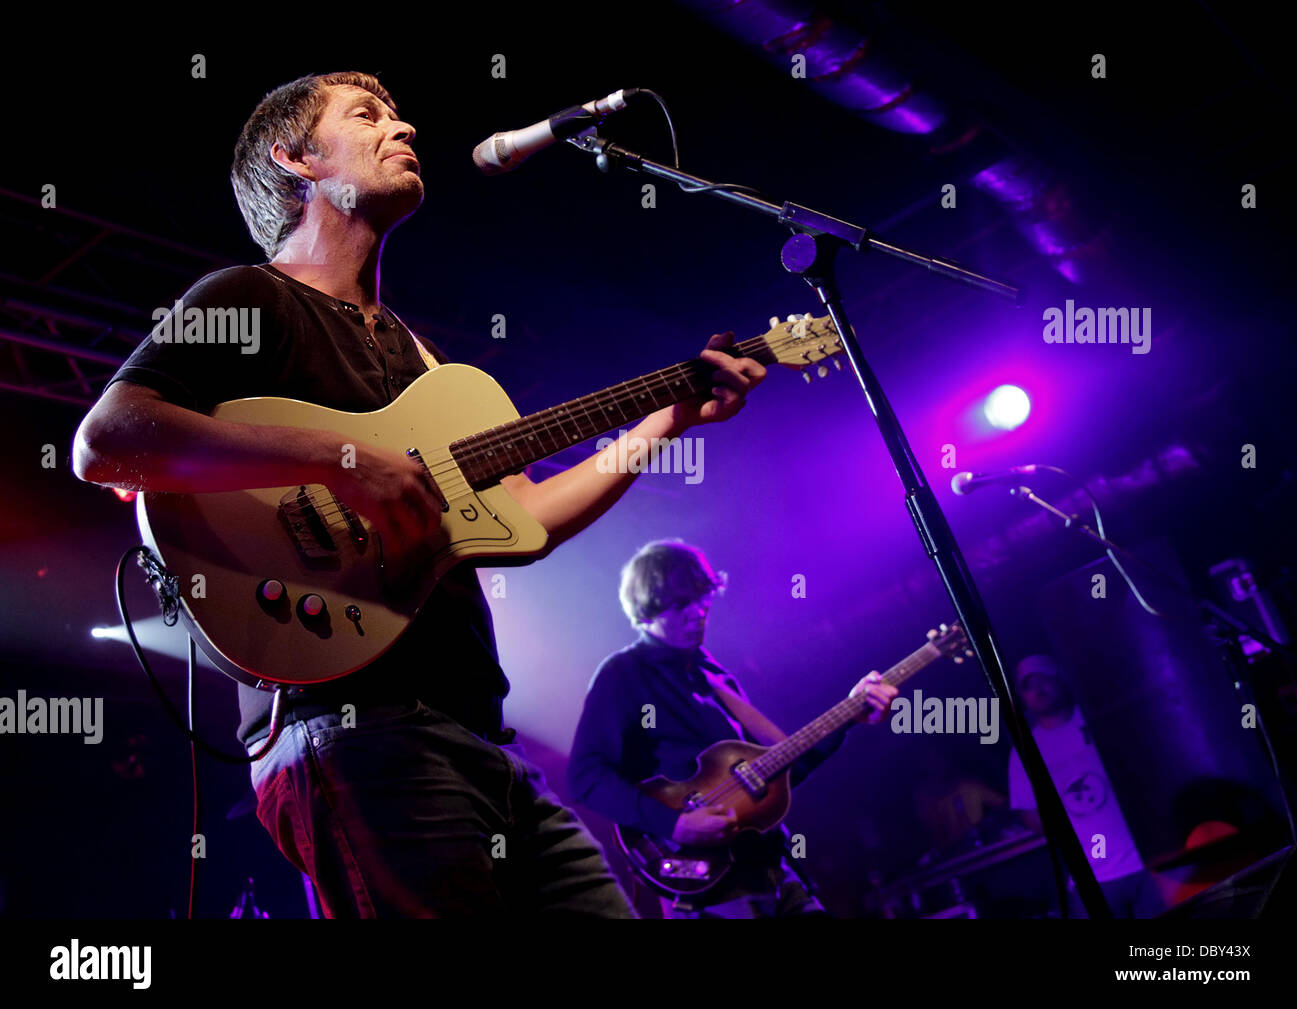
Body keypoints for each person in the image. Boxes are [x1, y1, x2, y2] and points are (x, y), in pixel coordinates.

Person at [71, 71, 768, 917]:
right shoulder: (246, 299)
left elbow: (529, 517)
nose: (402, 126)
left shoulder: (422, 357)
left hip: (479, 739)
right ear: (296, 160)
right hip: (352, 731)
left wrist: (666, 418)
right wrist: (343, 460)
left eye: (397, 111)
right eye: (367, 116)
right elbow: (105, 440)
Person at [567, 540, 897, 917]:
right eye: (679, 604)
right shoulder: (623, 674)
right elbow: (585, 777)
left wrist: (849, 717)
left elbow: (779, 772)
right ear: (647, 611)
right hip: (706, 886)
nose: (698, 612)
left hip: (771, 869)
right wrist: (674, 824)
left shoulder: (715, 675)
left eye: (701, 597)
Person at [1006, 654, 1164, 917]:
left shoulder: (1100, 717)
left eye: (1045, 678)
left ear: (1060, 679)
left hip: (1150, 861)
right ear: (1022, 696)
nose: (1038, 688)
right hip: (1091, 879)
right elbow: (1032, 818)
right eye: (1028, 684)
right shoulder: (1026, 750)